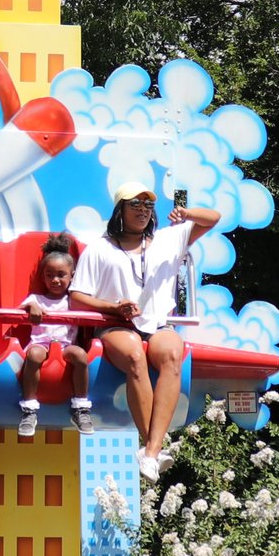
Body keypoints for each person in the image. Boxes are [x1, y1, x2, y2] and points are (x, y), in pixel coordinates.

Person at [68, 186, 221, 481]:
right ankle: (152, 448)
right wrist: (113, 307)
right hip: (115, 325)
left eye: (148, 205)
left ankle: (151, 450)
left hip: (157, 324)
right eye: (135, 204)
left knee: (173, 352)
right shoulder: (100, 248)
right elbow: (77, 296)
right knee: (135, 356)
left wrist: (186, 214)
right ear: (120, 210)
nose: (142, 210)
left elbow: (213, 218)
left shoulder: (168, 239)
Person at [15, 235, 94, 439]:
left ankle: (80, 407)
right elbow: (23, 307)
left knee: (80, 356)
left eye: (61, 274)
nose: (55, 280)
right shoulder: (37, 298)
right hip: (41, 344)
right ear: (43, 277)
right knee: (33, 356)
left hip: (66, 345)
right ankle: (29, 410)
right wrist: (32, 307)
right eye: (50, 275)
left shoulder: (73, 301)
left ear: (72, 276)